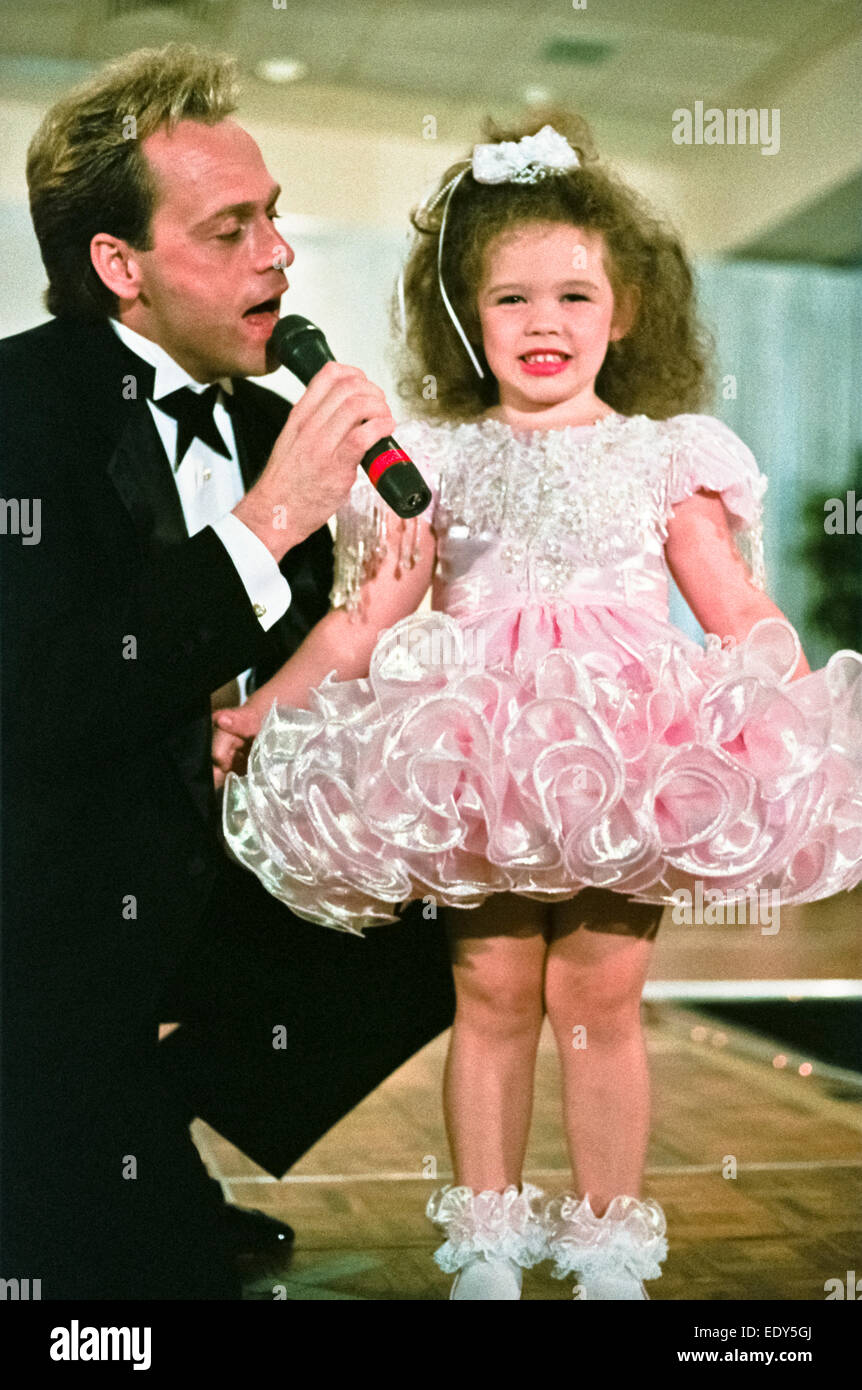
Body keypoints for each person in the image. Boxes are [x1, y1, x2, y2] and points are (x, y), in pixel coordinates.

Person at [213, 112, 862, 1301]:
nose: (544, 323)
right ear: (466, 315)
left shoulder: (667, 454)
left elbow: (732, 605)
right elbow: (366, 616)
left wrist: (799, 704)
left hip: (626, 753)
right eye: (510, 299)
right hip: (479, 759)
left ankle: (608, 1246)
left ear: (625, 310)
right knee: (493, 991)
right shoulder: (432, 461)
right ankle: (488, 1245)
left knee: (598, 999)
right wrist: (269, 712)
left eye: (574, 296)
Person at [0, 44, 456, 1301]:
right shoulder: (18, 411)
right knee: (142, 1283)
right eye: (232, 229)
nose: (279, 255)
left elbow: (293, 670)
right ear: (120, 265)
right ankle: (87, 1135)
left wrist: (376, 610)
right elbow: (36, 698)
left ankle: (122, 1112)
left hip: (221, 854)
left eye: (275, 218)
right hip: (63, 882)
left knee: (451, 910)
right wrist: (266, 521)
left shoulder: (270, 422)